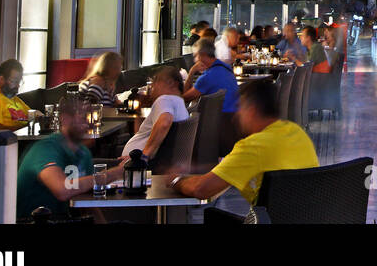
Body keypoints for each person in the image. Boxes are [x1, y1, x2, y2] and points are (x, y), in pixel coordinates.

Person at [168, 78, 318, 218]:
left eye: (240, 108)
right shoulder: (297, 133)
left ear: (251, 110)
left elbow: (201, 189)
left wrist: (175, 180)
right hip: (308, 217)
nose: (236, 116)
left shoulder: (254, 146)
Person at [16, 95, 123, 219]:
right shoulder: (45, 149)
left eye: (89, 116)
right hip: (32, 220)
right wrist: (114, 173)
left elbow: (87, 204)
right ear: (65, 119)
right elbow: (62, 190)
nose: (88, 122)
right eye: (82, 117)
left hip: (65, 219)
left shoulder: (83, 153)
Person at [119, 66, 189, 162]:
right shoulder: (178, 102)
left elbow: (165, 122)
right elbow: (143, 135)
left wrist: (143, 155)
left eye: (156, 80)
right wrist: (139, 114)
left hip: (136, 165)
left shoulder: (165, 99)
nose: (152, 86)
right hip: (139, 161)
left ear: (171, 83)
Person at [183, 37, 239, 114]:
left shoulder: (207, 77)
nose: (195, 60)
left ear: (202, 55)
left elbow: (184, 99)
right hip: (232, 116)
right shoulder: (226, 67)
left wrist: (191, 72)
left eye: (195, 56)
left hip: (216, 119)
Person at [0, 59, 33, 131]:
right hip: (12, 138)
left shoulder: (16, 99)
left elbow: (33, 115)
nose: (18, 85)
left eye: (19, 82)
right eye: (14, 81)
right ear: (1, 79)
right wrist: (23, 128)